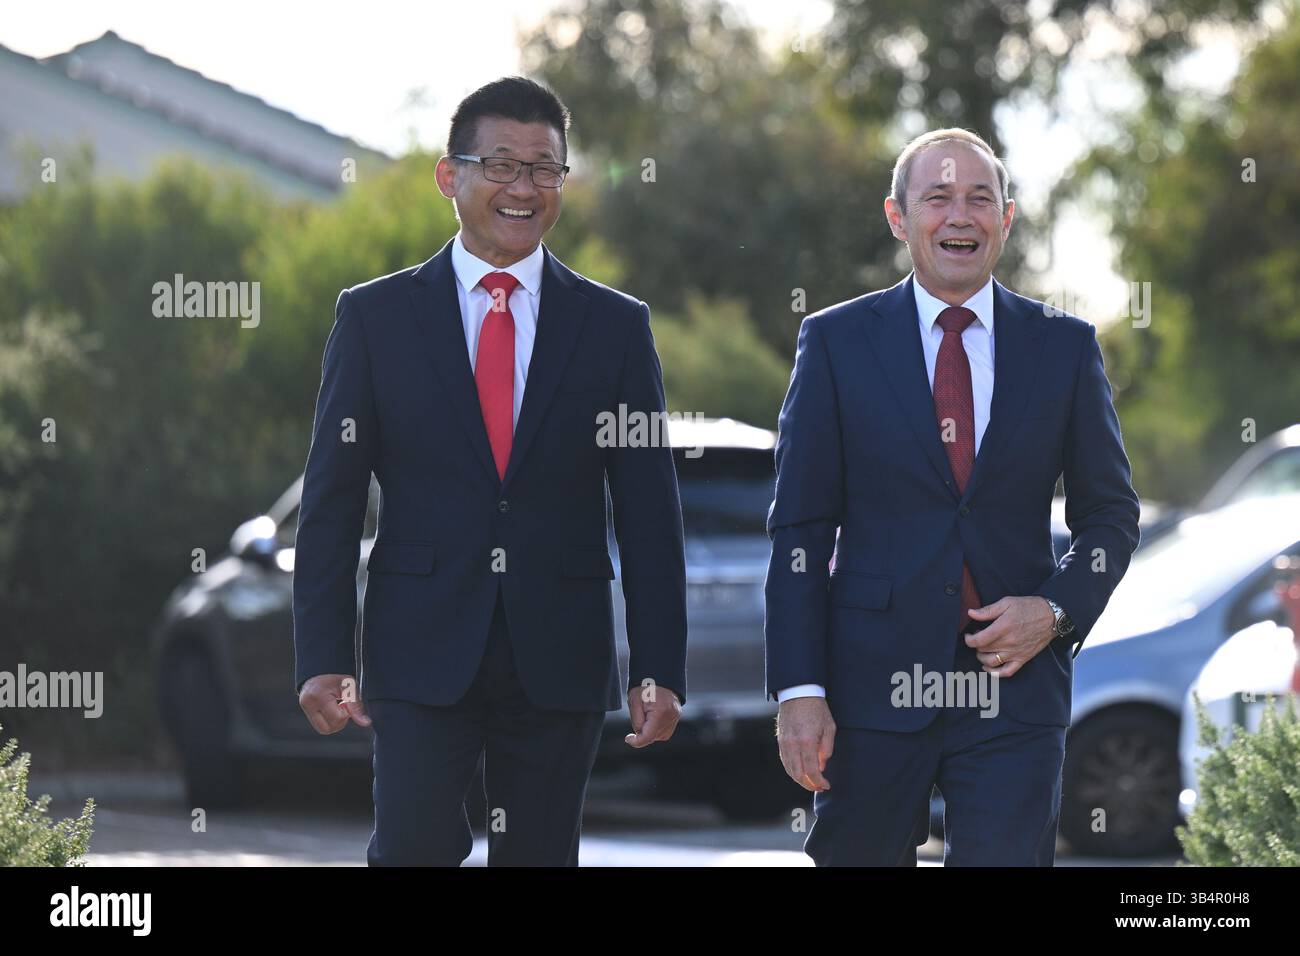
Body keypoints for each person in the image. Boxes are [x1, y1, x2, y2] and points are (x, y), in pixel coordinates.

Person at [292, 76, 687, 866]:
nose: (524, 188)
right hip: (419, 647)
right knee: (411, 850)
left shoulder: (614, 327)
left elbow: (648, 510)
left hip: (559, 654)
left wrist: (659, 667)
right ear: (452, 176)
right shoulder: (376, 318)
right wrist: (323, 656)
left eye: (545, 169)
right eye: (502, 164)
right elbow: (332, 500)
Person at [764, 128, 1141, 865]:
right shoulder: (836, 342)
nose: (959, 215)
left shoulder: (1064, 346)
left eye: (980, 198)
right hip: (868, 693)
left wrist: (1057, 610)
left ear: (1006, 218)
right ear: (898, 217)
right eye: (937, 198)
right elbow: (801, 532)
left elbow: (1110, 517)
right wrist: (799, 690)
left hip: (1015, 691)